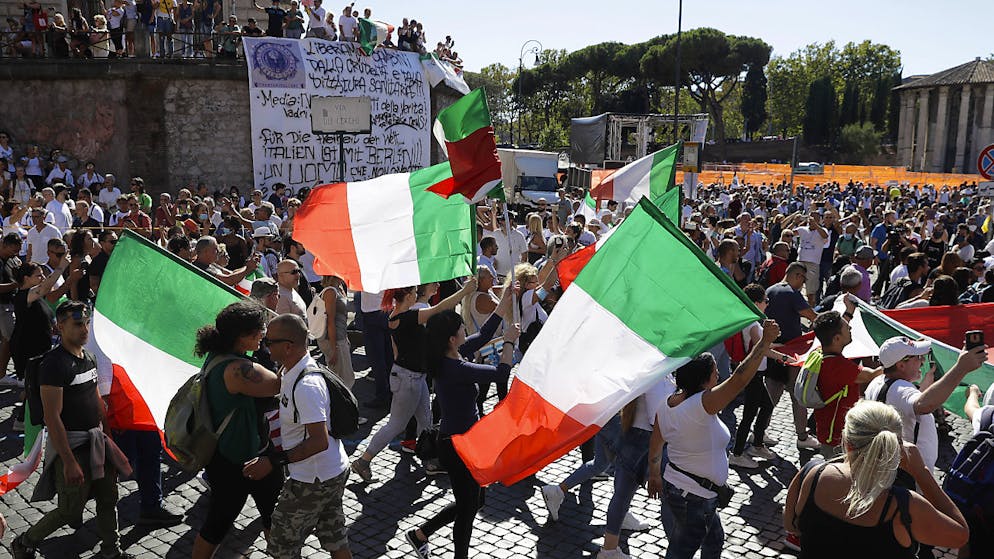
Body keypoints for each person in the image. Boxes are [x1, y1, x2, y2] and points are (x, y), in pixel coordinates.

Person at [12, 301, 135, 559]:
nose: (85, 329)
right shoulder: (54, 365)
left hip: (98, 443)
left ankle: (112, 551)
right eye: (78, 324)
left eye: (87, 323)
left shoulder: (88, 358)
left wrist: (109, 440)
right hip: (72, 447)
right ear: (60, 326)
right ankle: (24, 542)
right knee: (69, 510)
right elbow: (52, 417)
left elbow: (97, 402)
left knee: (108, 498)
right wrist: (68, 461)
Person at [403, 291, 518, 559]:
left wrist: (505, 301)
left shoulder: (450, 355)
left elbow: (485, 334)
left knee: (475, 501)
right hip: (457, 447)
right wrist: (509, 342)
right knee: (467, 509)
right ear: (452, 339)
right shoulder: (457, 368)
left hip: (465, 442)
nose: (465, 328)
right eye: (461, 327)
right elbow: (502, 373)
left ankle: (421, 534)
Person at [650, 320, 779, 559]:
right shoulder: (702, 404)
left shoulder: (666, 404)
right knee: (681, 551)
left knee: (714, 540)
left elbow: (656, 444)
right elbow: (739, 379)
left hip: (684, 489)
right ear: (703, 379)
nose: (719, 374)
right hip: (694, 497)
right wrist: (763, 343)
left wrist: (655, 475)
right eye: (714, 371)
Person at [783, 400, 969, 559]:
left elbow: (791, 525)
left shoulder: (812, 474)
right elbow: (960, 536)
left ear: (847, 442)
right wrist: (921, 473)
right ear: (895, 448)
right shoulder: (904, 505)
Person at [244, 314, 353, 559]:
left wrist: (273, 461)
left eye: (270, 342)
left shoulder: (306, 387)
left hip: (313, 479)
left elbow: (319, 441)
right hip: (330, 472)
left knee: (281, 547)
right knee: (335, 537)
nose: (265, 346)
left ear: (288, 347)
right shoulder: (292, 369)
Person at [350, 278, 479, 482]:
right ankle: (364, 461)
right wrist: (464, 292)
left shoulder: (395, 316)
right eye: (414, 292)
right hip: (408, 378)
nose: (417, 294)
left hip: (411, 376)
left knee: (425, 421)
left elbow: (396, 350)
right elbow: (440, 308)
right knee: (396, 425)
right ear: (409, 295)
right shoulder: (407, 317)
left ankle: (430, 461)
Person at [191, 301, 284, 559]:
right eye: (258, 330)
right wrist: (284, 348)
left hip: (234, 453)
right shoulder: (237, 370)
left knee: (271, 515)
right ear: (241, 336)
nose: (263, 333)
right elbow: (278, 384)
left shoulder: (221, 356)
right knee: (221, 521)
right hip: (238, 458)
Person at [865, 336, 987, 472]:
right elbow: (924, 405)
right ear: (901, 365)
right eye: (917, 357)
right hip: (911, 476)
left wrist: (925, 384)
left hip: (893, 469)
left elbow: (904, 404)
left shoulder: (876, 382)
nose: (922, 361)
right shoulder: (900, 390)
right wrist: (961, 368)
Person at [808, 301, 883, 457]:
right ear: (837, 339)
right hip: (836, 436)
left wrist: (849, 312)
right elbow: (870, 375)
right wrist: (898, 355)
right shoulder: (838, 366)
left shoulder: (820, 352)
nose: (850, 329)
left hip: (828, 428)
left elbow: (834, 329)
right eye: (847, 328)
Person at [729, 285, 791, 468]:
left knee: (766, 406)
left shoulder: (753, 322)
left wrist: (780, 347)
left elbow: (764, 345)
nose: (767, 304)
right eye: (766, 301)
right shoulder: (753, 324)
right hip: (753, 374)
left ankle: (757, 444)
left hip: (756, 373)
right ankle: (737, 453)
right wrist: (783, 357)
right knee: (749, 414)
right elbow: (762, 348)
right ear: (756, 303)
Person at [764, 261, 820, 450]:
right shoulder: (791, 293)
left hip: (773, 350)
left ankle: (759, 431)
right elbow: (811, 315)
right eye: (803, 279)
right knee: (798, 394)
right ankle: (802, 436)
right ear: (797, 275)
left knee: (771, 394)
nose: (803, 284)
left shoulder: (771, 290)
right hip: (790, 353)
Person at [315, 275, 354, 389]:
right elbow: (330, 321)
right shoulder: (330, 292)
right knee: (343, 380)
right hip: (333, 339)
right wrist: (334, 349)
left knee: (345, 377)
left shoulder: (339, 288)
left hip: (340, 337)